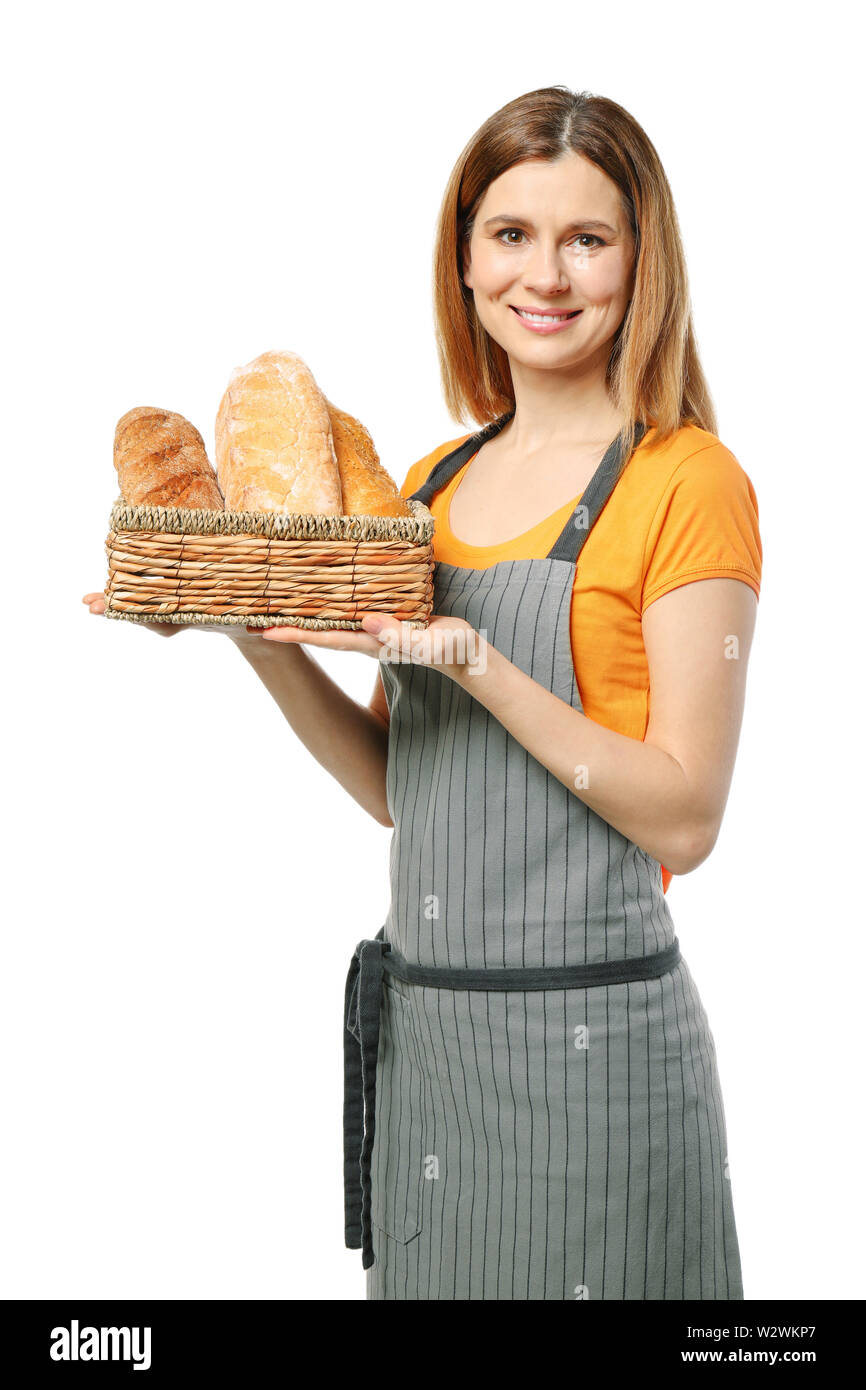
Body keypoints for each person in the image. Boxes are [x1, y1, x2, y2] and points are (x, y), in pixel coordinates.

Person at [85, 85, 761, 1302]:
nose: (543, 275)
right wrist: (253, 631)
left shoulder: (685, 481)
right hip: (434, 1061)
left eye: (586, 238)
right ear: (462, 260)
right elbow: (404, 792)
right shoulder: (426, 486)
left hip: (595, 1061)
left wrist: (478, 663)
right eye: (509, 235)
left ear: (640, 262)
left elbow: (684, 818)